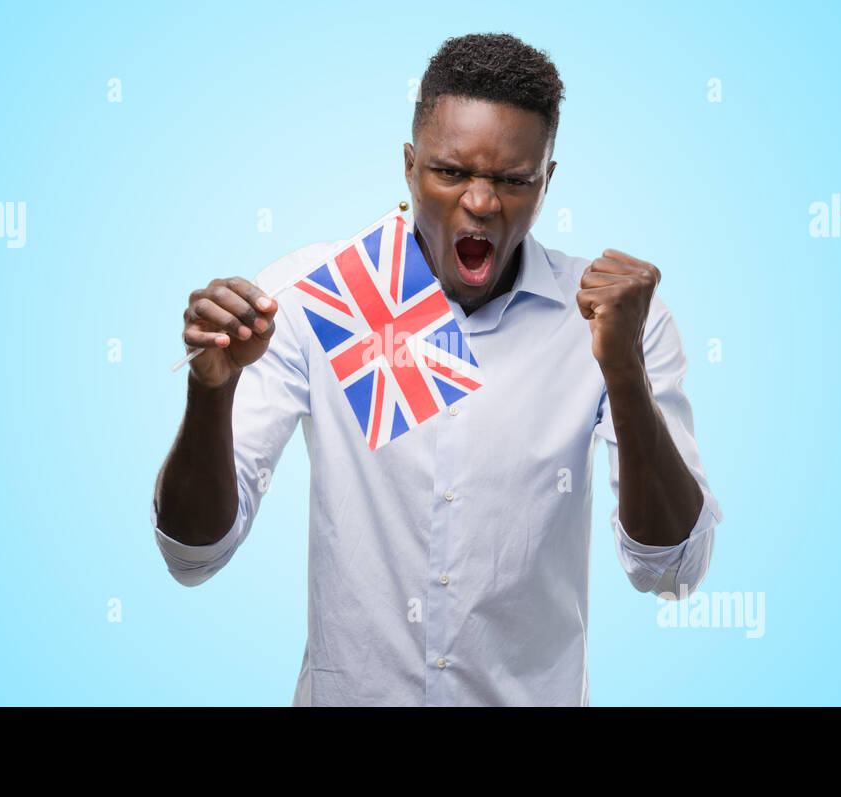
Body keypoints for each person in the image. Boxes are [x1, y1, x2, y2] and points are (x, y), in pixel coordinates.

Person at [152, 32, 722, 706]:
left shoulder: (613, 319)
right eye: (450, 172)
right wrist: (209, 392)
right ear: (408, 164)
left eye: (513, 179)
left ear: (548, 180)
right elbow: (192, 554)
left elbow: (672, 572)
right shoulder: (318, 297)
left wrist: (624, 374)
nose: (481, 203)